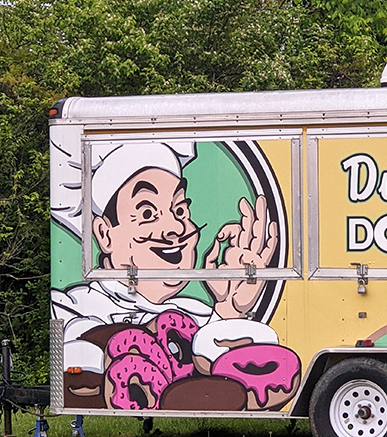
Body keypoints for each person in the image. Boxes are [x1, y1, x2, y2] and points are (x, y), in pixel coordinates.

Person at [52, 141, 279, 377]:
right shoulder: (74, 308)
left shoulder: (197, 313)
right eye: (148, 213)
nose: (175, 228)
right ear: (104, 234)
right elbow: (87, 358)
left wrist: (229, 311)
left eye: (180, 210)